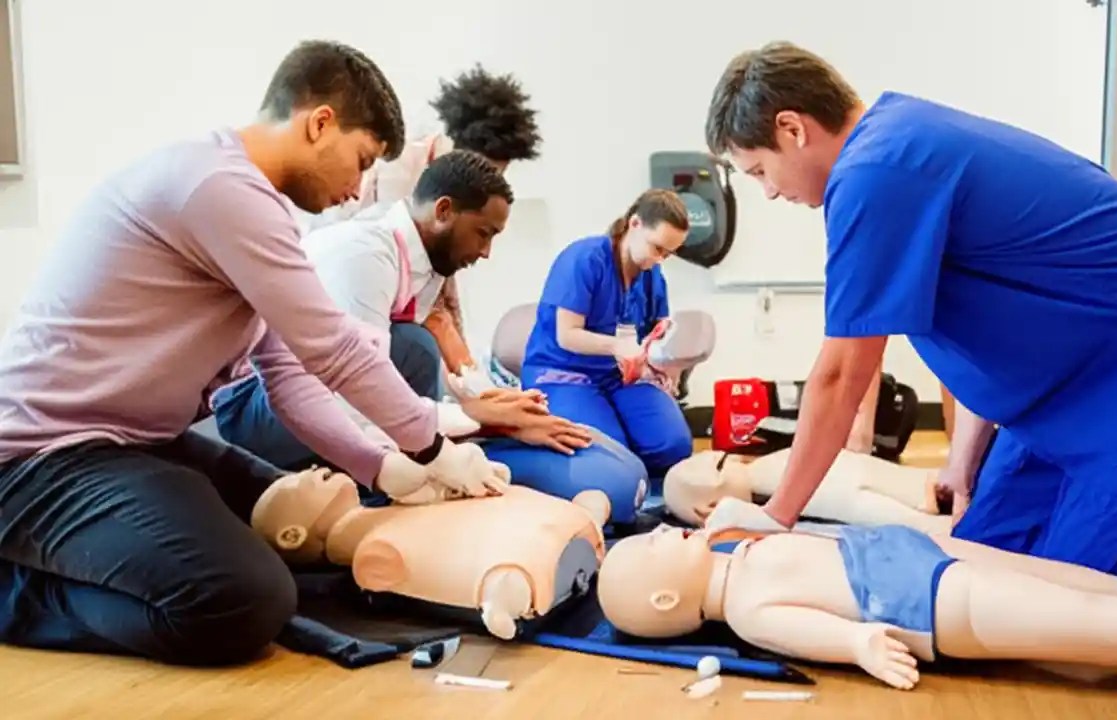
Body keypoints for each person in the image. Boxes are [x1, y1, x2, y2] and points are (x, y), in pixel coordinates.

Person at [698, 41, 1117, 604]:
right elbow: (977, 333)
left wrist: (777, 515)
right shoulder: (897, 143)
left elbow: (842, 372)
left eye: (757, 172)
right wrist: (963, 459)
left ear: (791, 129)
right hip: (1078, 387)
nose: (768, 192)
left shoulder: (876, 172)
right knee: (981, 569)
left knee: (1090, 604)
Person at [0, 40, 518, 667]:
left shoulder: (249, 204)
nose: (357, 190)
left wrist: (381, 469)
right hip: (41, 458)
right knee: (242, 600)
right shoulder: (217, 187)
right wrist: (433, 448)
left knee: (304, 523)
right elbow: (334, 350)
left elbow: (291, 379)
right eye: (360, 162)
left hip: (135, 440)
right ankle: (17, 591)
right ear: (318, 123)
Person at [211, 151, 650, 523]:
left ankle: (396, 467)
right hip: (258, 403)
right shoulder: (366, 256)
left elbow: (421, 360)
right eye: (483, 234)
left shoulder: (422, 264)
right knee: (414, 359)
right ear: (442, 211)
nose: (486, 252)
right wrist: (479, 420)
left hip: (325, 389)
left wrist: (490, 402)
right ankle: (378, 480)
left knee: (413, 347)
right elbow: (356, 396)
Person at [301, 65, 543, 382]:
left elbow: (439, 291)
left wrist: (473, 382)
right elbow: (423, 300)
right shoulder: (397, 178)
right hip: (338, 300)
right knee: (416, 350)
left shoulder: (436, 223)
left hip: (371, 306)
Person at [522, 189, 696, 479]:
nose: (660, 259)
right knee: (608, 453)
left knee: (673, 445)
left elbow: (659, 328)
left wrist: (669, 362)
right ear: (635, 224)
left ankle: (627, 467)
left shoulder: (651, 274)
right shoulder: (585, 259)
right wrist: (619, 346)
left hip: (620, 376)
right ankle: (608, 468)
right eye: (657, 248)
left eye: (669, 253)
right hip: (564, 372)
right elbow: (568, 335)